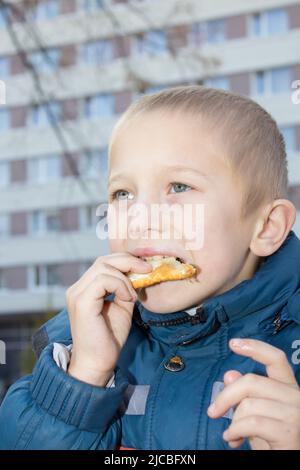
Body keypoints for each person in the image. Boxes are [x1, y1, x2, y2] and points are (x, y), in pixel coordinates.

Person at [0, 86, 300, 450]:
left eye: (178, 186)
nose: (139, 219)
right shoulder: (79, 348)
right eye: (122, 194)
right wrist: (83, 379)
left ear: (265, 227)